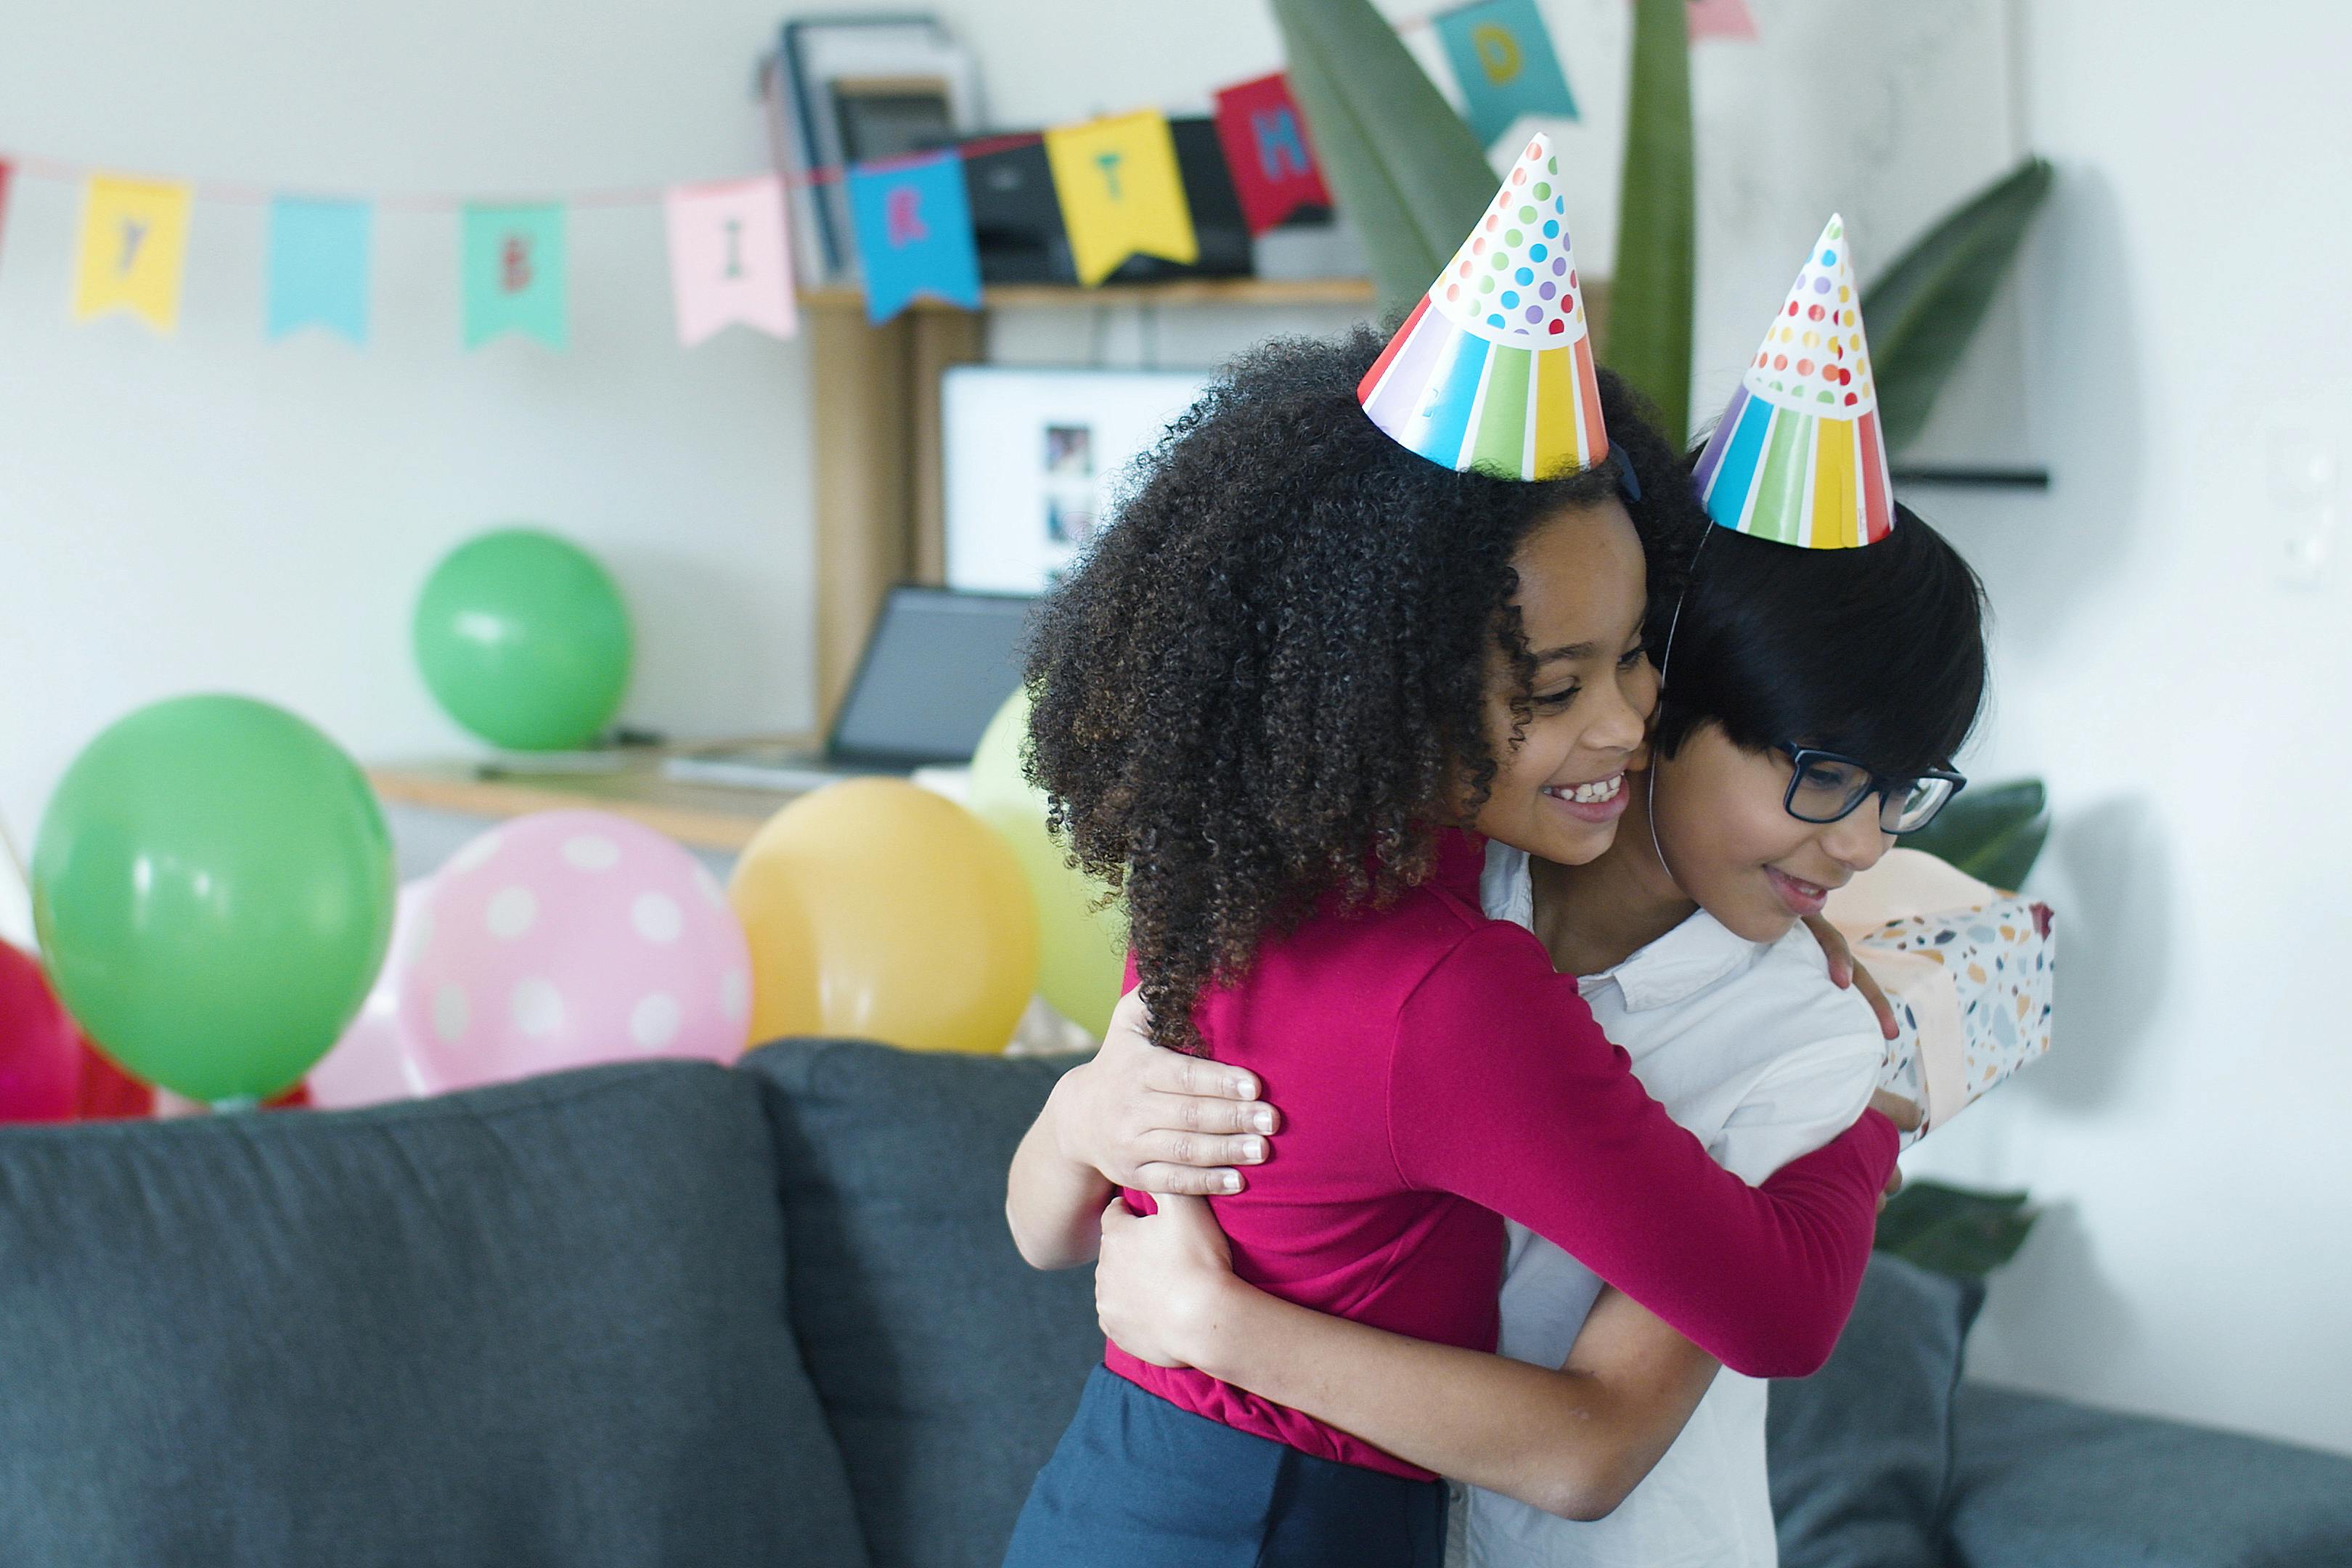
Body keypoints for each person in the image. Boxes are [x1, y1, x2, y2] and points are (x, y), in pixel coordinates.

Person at [999, 139, 1911, 1568]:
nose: (1625, 723)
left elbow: (1046, 1233)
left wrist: (1075, 1126)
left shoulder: (1232, 878)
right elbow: (1778, 1314)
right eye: (1553, 687)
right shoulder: (1454, 992)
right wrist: (1872, 1111)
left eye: (1634, 657)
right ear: (1385, 684)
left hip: (1106, 1496)